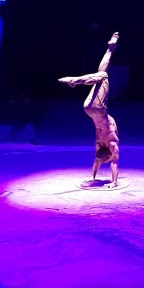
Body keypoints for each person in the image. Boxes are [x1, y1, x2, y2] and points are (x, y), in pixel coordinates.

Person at [58, 32, 122, 186]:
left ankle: (76, 80)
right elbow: (104, 162)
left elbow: (108, 162)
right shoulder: (103, 144)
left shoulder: (110, 143)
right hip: (88, 110)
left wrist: (110, 181)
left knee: (103, 76)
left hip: (98, 110)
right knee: (100, 75)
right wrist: (109, 181)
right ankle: (110, 48)